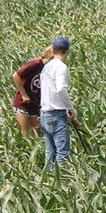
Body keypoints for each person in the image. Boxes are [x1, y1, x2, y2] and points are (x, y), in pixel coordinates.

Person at [39, 36, 77, 166]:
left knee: (50, 151)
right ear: (67, 51)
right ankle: (63, 181)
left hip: (44, 113)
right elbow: (61, 89)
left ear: (53, 50)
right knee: (62, 152)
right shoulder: (61, 67)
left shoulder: (46, 67)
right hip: (56, 114)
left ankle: (49, 180)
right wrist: (70, 108)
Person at [11, 46, 53, 135]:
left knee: (36, 133)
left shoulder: (51, 69)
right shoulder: (35, 64)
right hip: (23, 103)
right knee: (26, 132)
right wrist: (24, 95)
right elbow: (16, 76)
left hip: (35, 104)